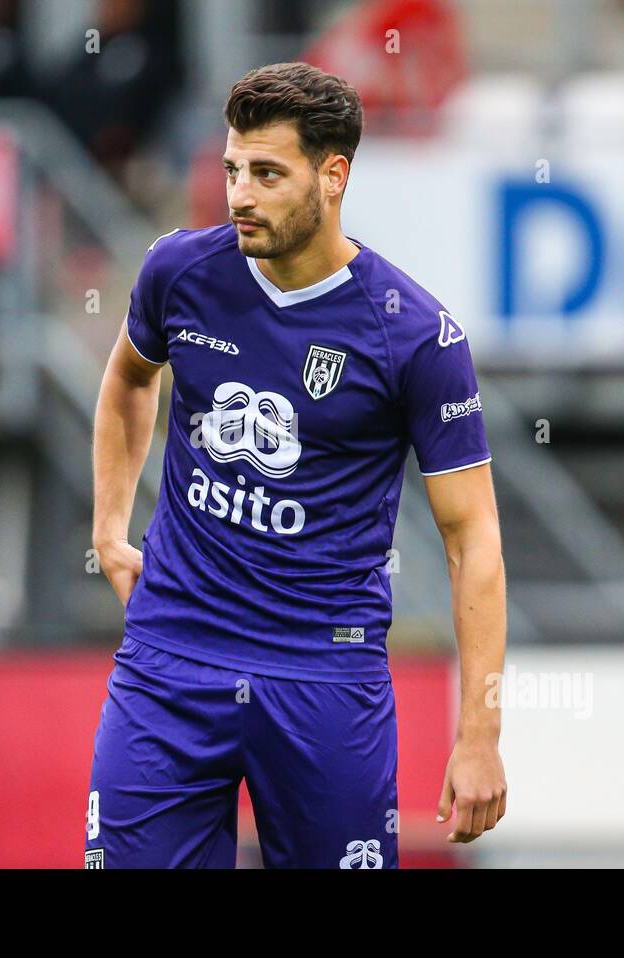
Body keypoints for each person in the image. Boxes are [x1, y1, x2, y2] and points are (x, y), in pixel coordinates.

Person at [88, 61, 507, 868]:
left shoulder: (416, 336)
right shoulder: (180, 272)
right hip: (172, 654)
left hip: (324, 673)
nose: (240, 194)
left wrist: (480, 734)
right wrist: (109, 526)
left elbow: (473, 540)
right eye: (233, 169)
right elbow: (129, 380)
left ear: (333, 175)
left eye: (268, 174)